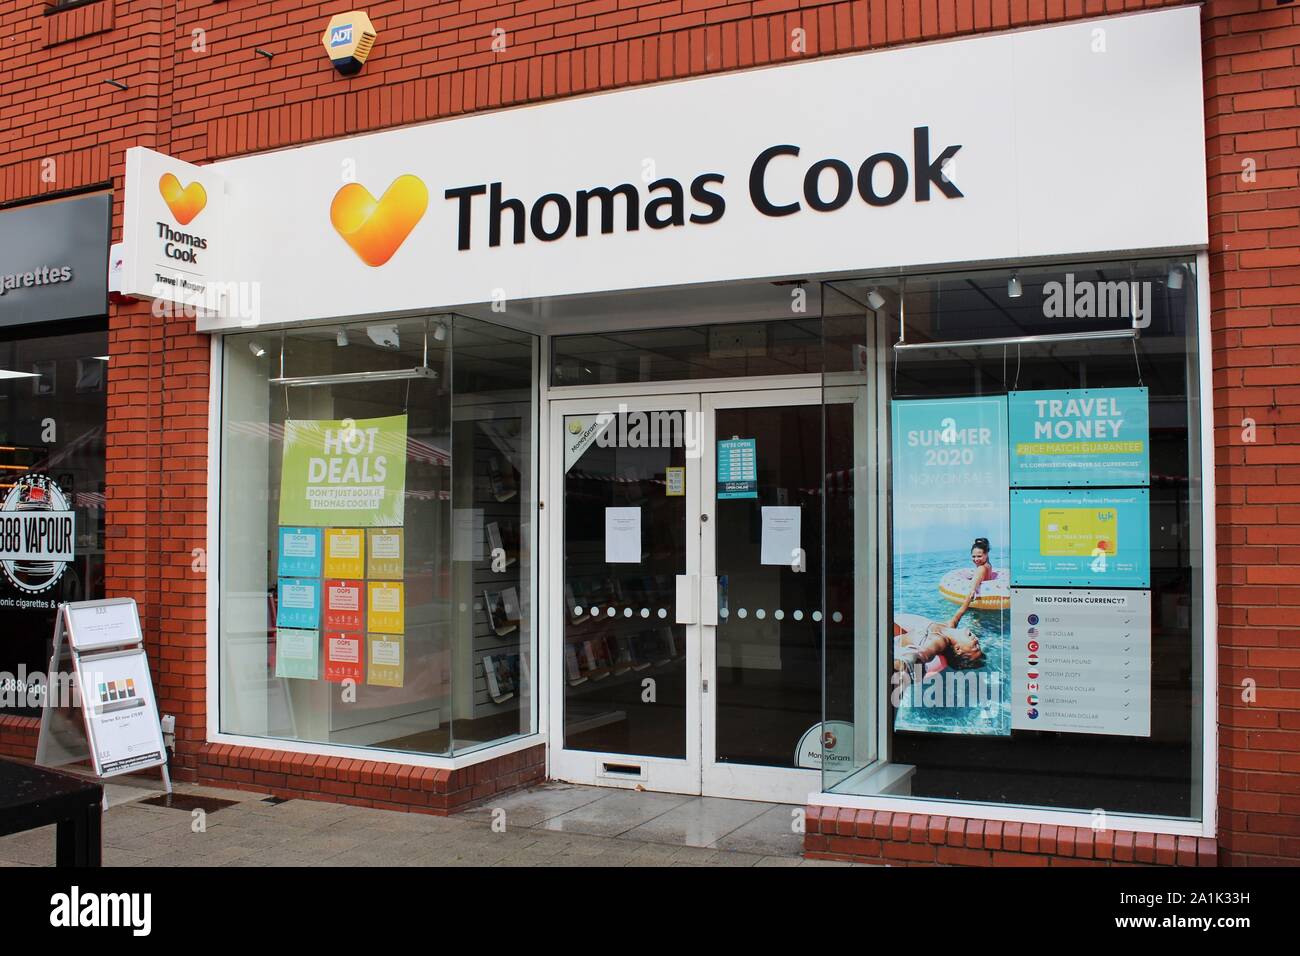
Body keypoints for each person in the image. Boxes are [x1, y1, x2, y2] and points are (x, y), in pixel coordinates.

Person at [893, 618, 984, 672]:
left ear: (958, 649)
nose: (977, 640)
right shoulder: (950, 626)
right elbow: (959, 613)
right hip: (901, 636)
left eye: (975, 646)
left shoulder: (940, 640)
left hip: (896, 646)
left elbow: (924, 653)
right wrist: (972, 592)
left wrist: (905, 662)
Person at [947, 536, 996, 628]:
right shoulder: (988, 565)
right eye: (973, 556)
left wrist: (957, 616)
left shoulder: (981, 568)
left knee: (975, 627)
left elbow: (975, 582)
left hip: (978, 606)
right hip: (987, 605)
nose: (976, 559)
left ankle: (956, 618)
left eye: (979, 556)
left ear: (986, 554)